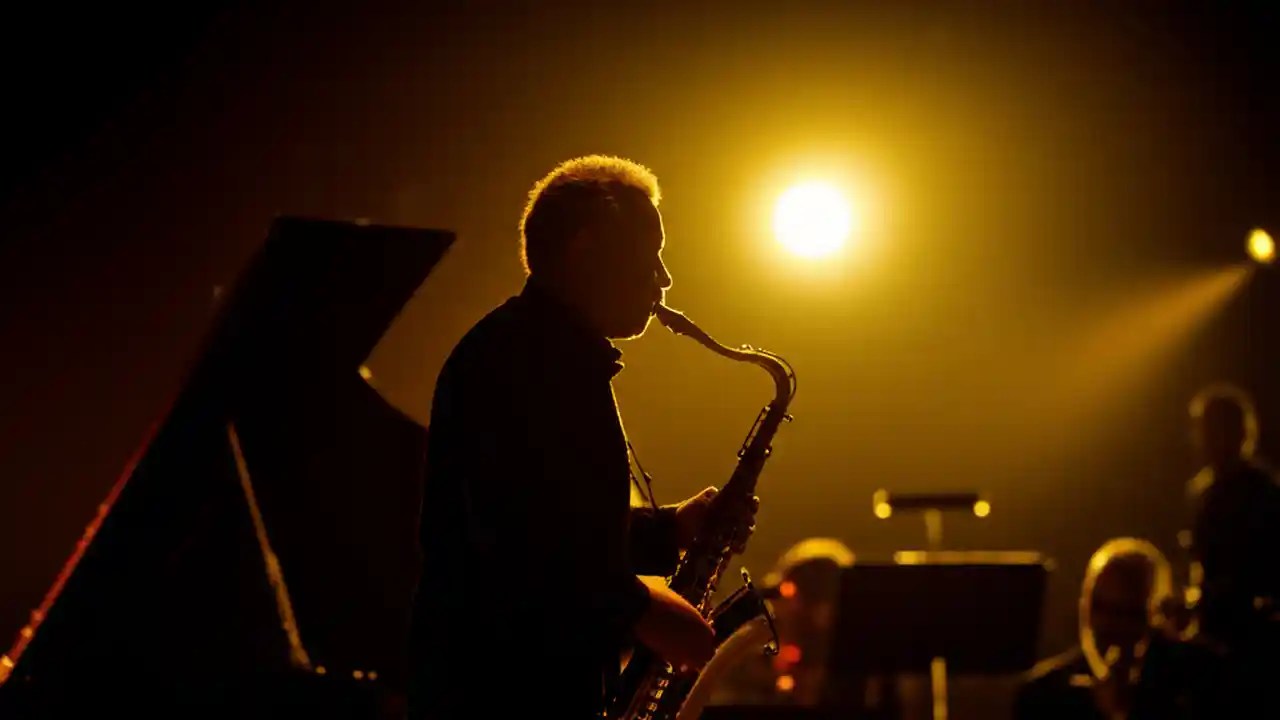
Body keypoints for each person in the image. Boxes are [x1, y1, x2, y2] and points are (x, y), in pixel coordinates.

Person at [406, 155, 758, 720]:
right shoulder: (518, 361)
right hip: (503, 693)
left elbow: (557, 523)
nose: (664, 278)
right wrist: (644, 608)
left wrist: (670, 528)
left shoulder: (542, 353)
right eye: (651, 254)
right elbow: (517, 546)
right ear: (587, 249)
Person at [1013, 538, 1221, 720]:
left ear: (1160, 615)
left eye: (1130, 612)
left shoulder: (1203, 683)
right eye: (1100, 607)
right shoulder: (1044, 697)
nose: (1108, 625)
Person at [1179, 383, 1280, 714]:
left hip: (1251, 637)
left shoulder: (1262, 494)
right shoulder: (1204, 493)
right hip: (1213, 627)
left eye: (1213, 428)